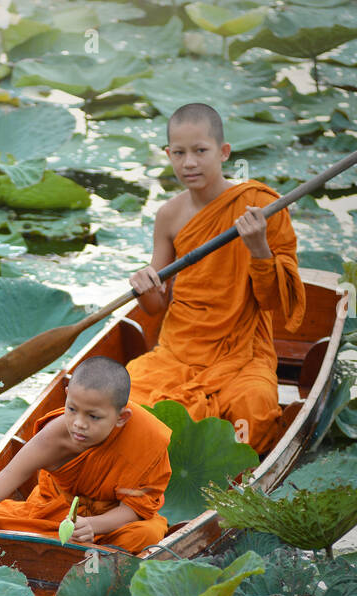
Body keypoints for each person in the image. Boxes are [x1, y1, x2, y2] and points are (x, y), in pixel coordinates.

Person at [126, 102, 307, 455]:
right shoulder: (169, 216)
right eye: (179, 153)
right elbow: (155, 308)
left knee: (252, 410)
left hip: (242, 351)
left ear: (223, 152)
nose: (189, 162)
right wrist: (143, 287)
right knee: (128, 398)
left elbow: (273, 302)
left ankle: (227, 482)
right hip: (178, 351)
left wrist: (258, 248)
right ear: (168, 155)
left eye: (200, 151)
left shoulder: (258, 206)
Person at [0, 357, 172, 560]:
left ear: (121, 417)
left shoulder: (147, 438)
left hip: (111, 522)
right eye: (72, 409)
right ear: (66, 396)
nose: (79, 424)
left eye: (94, 417)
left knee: (147, 535)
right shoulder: (52, 440)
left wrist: (94, 525)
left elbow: (133, 510)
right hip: (53, 514)